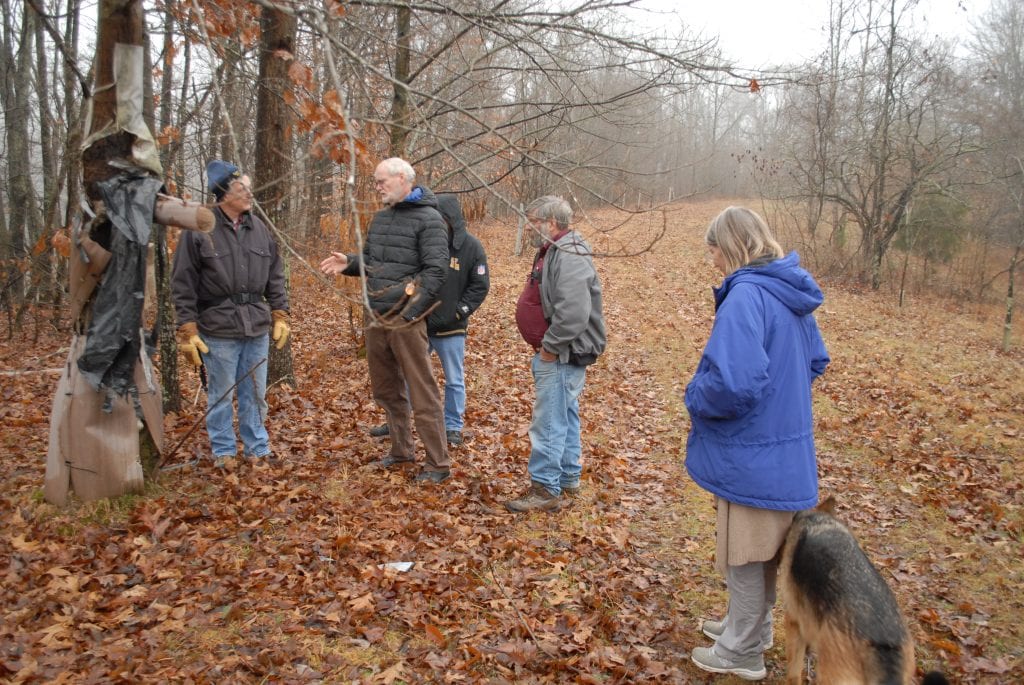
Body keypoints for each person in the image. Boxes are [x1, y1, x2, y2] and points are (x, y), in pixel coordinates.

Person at [685, 206, 830, 680]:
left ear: (728, 246)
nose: (712, 262)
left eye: (712, 251)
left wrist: (694, 393)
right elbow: (814, 360)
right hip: (782, 446)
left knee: (745, 548)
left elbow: (733, 383)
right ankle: (751, 627)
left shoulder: (746, 295)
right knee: (764, 545)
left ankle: (741, 649)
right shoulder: (786, 290)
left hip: (753, 448)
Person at [319, 158, 451, 483]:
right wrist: (349, 262)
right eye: (376, 182)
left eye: (382, 181)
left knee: (423, 393)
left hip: (406, 321)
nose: (377, 187)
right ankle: (401, 450)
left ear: (404, 180)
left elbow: (436, 272)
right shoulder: (379, 219)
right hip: (376, 317)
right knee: (387, 390)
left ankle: (438, 464)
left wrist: (408, 312)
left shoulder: (430, 220)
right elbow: (375, 263)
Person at [171, 160, 290, 467]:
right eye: (242, 189)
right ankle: (223, 452)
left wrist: (280, 313)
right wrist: (187, 329)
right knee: (221, 396)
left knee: (255, 394)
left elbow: (275, 273)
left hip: (256, 328)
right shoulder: (199, 229)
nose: (249, 194)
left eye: (249, 188)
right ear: (223, 194)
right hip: (218, 327)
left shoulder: (259, 227)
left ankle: (257, 448)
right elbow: (182, 282)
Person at [505, 196, 606, 513]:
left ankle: (545, 488)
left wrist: (550, 347)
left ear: (551, 223)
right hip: (558, 352)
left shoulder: (570, 253)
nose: (530, 227)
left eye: (535, 221)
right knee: (564, 414)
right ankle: (566, 479)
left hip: (562, 354)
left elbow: (573, 312)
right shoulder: (554, 249)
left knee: (548, 421)